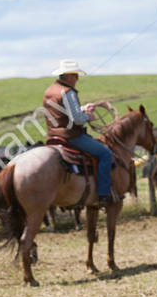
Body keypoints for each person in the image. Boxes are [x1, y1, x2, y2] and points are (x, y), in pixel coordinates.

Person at [42, 60, 117, 205]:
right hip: (71, 136)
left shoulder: (51, 90)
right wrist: (88, 116)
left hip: (53, 135)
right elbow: (77, 119)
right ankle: (103, 194)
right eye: (76, 75)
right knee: (105, 154)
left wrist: (82, 108)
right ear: (69, 76)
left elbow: (62, 112)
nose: (77, 78)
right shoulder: (68, 93)